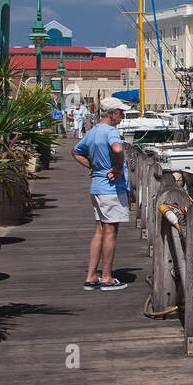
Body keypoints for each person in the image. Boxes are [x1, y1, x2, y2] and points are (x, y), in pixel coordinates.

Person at [72, 98, 129, 290]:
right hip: (110, 189)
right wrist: (119, 167)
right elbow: (118, 148)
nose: (123, 116)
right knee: (111, 231)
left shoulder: (93, 131)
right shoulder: (110, 131)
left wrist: (93, 166)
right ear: (112, 113)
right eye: (121, 112)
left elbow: (76, 152)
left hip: (97, 187)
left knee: (99, 231)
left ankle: (91, 276)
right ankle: (106, 277)